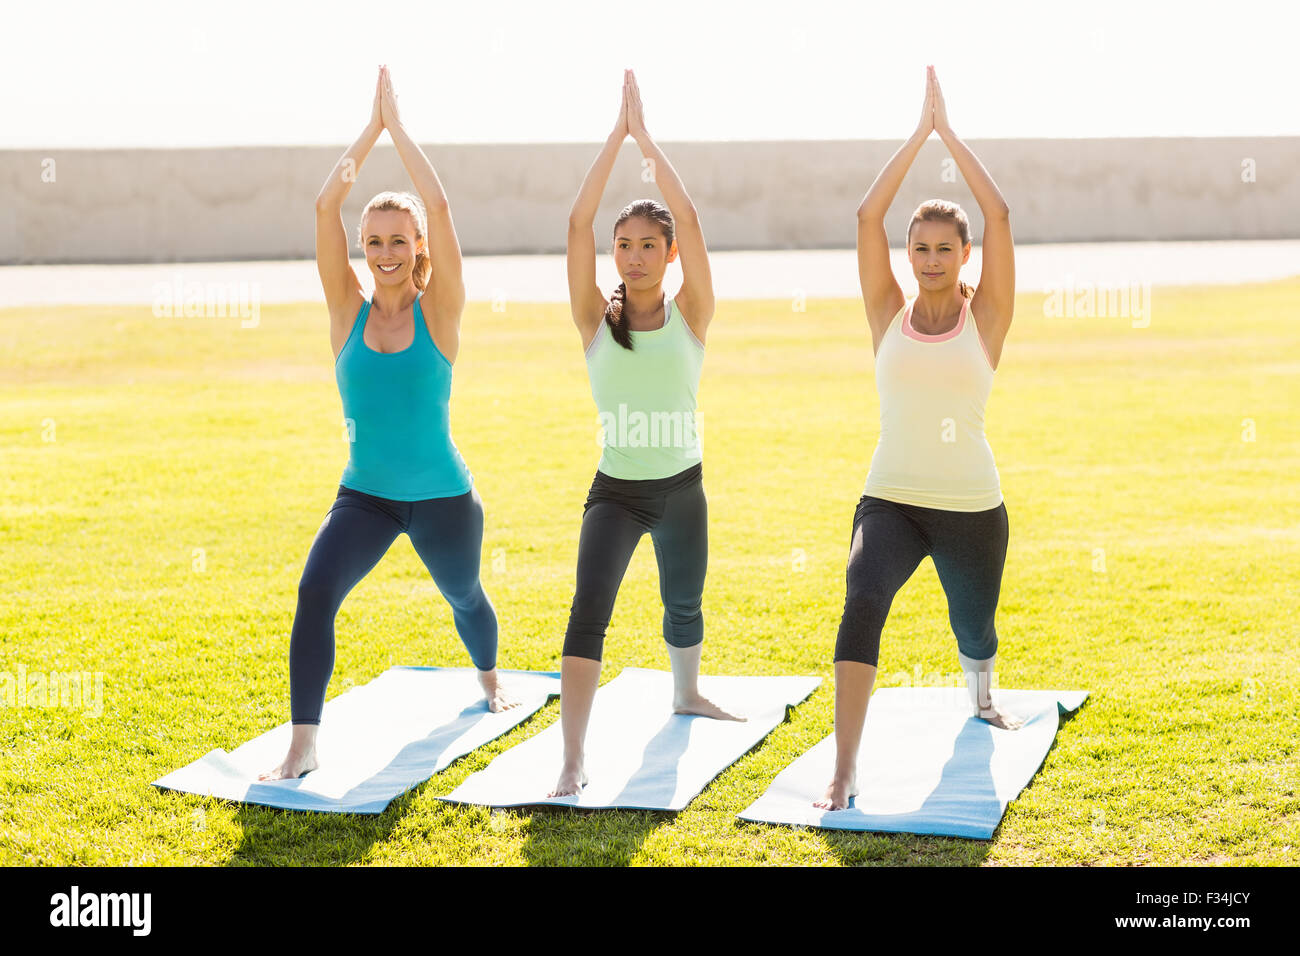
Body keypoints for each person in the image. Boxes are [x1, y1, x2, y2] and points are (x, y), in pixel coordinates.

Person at [261, 66, 515, 781]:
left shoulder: (441, 311)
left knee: (465, 596)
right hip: (365, 495)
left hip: (443, 498)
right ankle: (303, 742)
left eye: (399, 240)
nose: (384, 252)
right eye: (373, 241)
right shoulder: (347, 310)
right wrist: (366, 131)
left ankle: (491, 677)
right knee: (315, 592)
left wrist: (398, 129)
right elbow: (323, 207)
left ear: (418, 248)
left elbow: (437, 202)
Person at [816, 66, 1024, 811]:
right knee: (861, 595)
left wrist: (951, 137)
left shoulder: (987, 317)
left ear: (962, 256)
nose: (931, 260)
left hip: (971, 505)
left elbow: (998, 215)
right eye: (921, 248)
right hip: (891, 498)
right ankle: (844, 768)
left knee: (975, 628)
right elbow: (869, 217)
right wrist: (916, 135)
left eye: (944, 248)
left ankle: (982, 690)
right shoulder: (886, 313)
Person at [549, 70, 743, 798]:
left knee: (684, 604)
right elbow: (575, 226)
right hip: (617, 495)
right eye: (623, 244)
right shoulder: (595, 324)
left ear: (668, 256)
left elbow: (692, 222)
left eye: (647, 245)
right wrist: (615, 140)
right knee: (588, 610)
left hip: (683, 491)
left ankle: (686, 693)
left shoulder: (693, 316)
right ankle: (573, 757)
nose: (633, 255)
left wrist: (650, 143)